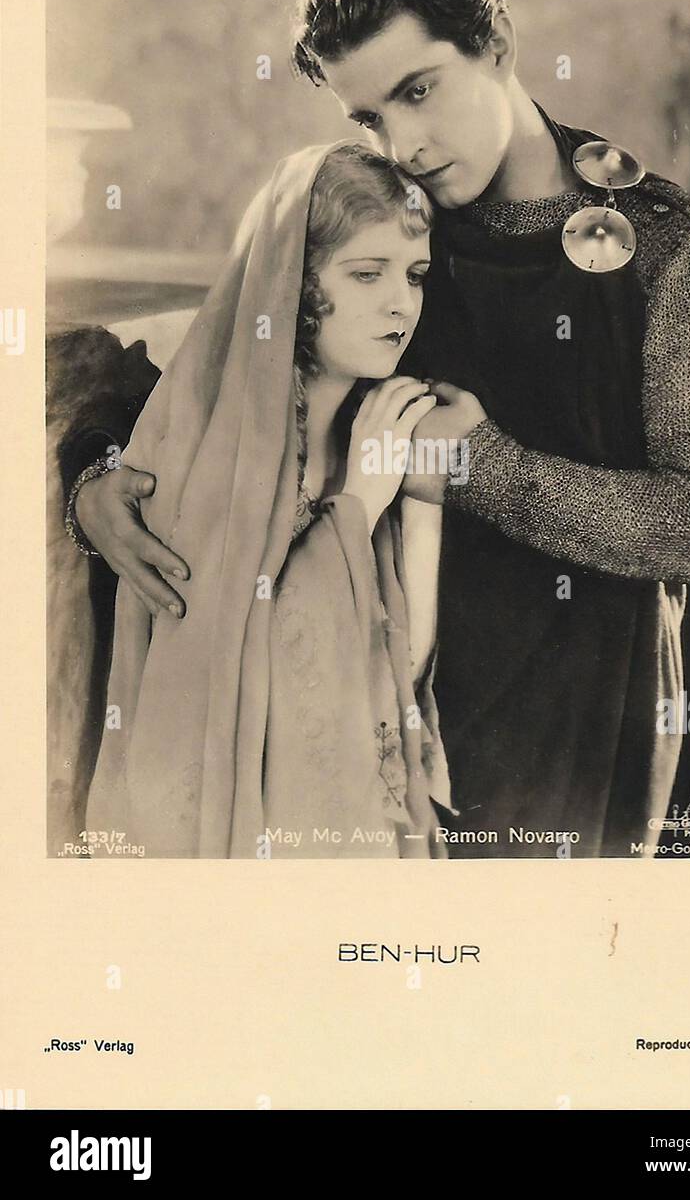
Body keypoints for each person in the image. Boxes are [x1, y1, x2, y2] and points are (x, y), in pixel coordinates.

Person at [69, 0, 690, 858]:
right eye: (368, 118)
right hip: (372, 731)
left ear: (498, 44)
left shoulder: (666, 250)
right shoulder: (383, 229)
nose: (402, 143)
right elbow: (225, 367)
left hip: (585, 737)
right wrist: (96, 474)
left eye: (417, 91)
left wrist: (477, 467)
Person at [82, 141, 453, 858]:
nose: (400, 303)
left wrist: (417, 500)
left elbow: (399, 669)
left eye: (414, 275)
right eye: (366, 273)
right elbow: (222, 685)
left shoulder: (379, 423)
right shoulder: (217, 445)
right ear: (295, 284)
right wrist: (358, 509)